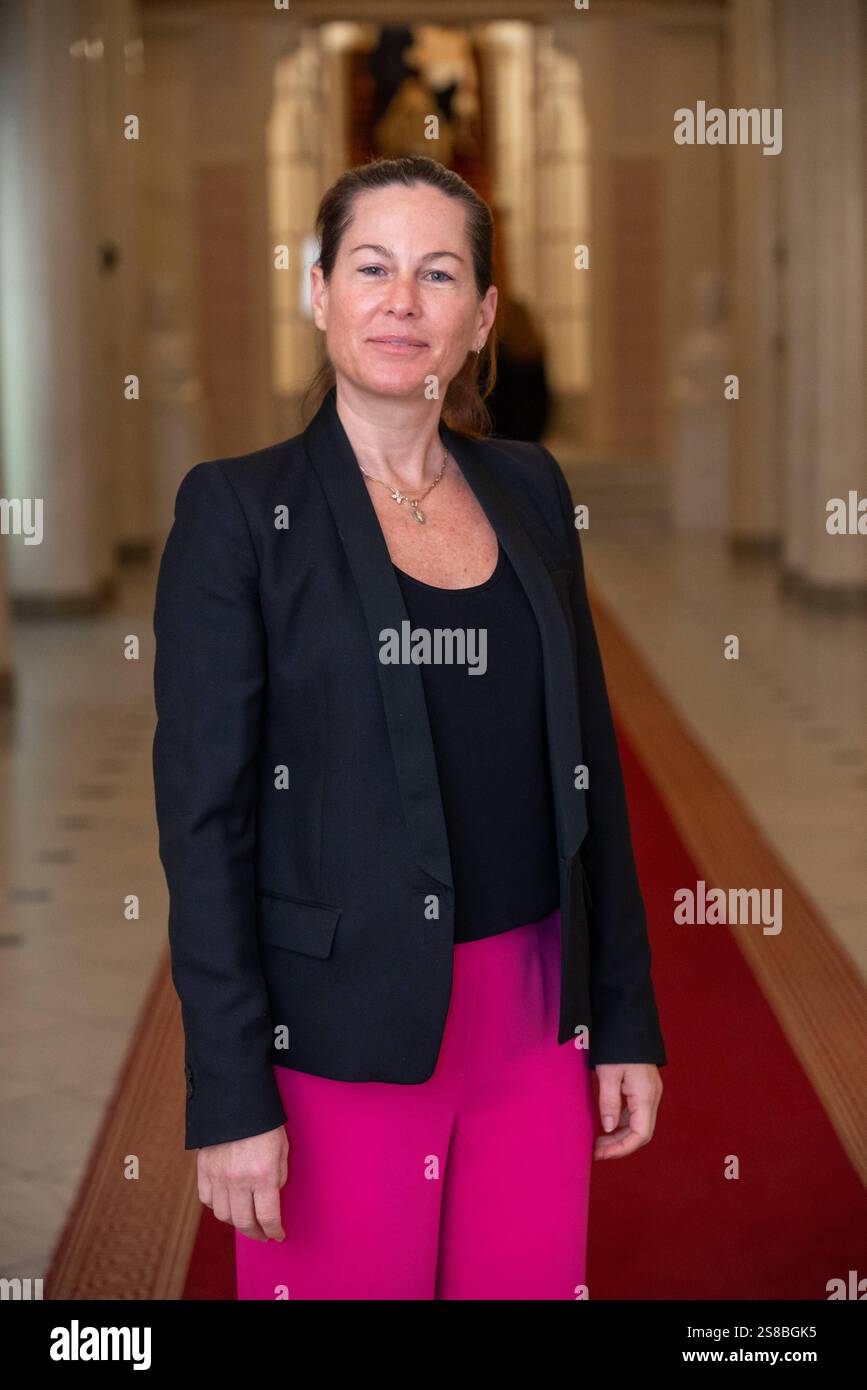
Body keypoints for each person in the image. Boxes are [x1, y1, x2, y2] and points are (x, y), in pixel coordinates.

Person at [152, 154, 666, 1302]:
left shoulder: (531, 488)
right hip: (339, 1034)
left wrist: (623, 1017)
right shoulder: (240, 515)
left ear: (482, 315)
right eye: (371, 267)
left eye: (439, 275)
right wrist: (231, 1090)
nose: (401, 301)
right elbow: (205, 823)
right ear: (318, 289)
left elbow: (593, 774)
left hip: (535, 1022)